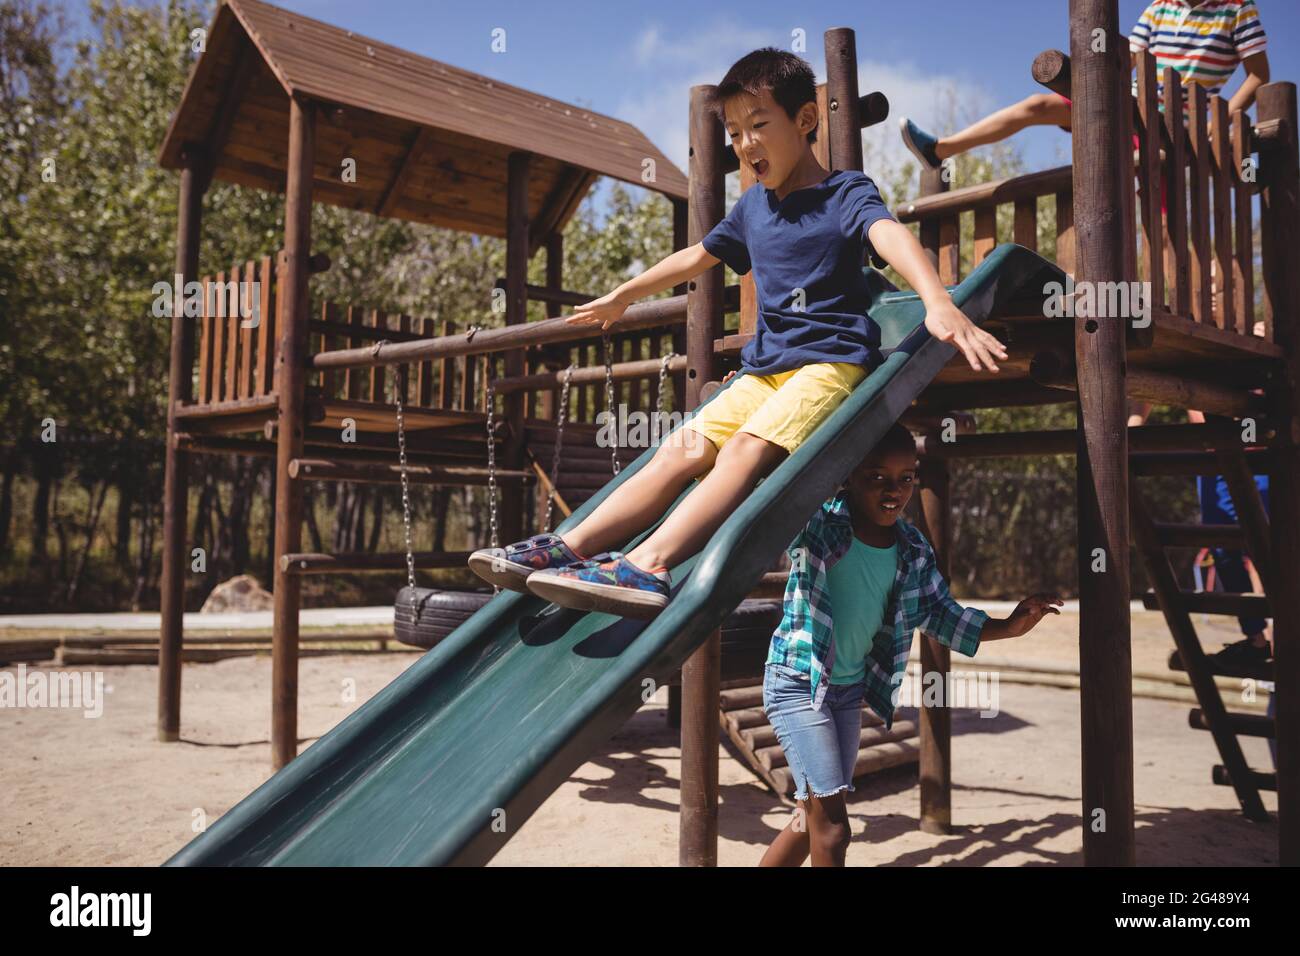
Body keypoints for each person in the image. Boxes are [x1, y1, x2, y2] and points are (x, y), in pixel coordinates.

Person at [468, 47, 1008, 618]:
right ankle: (567, 545)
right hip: (765, 371)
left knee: (744, 451)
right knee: (679, 451)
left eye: (758, 126)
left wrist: (935, 300)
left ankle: (648, 565)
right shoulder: (753, 208)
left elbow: (887, 235)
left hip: (828, 366)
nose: (746, 144)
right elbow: (697, 255)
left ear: (805, 121)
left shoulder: (844, 192)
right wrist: (625, 295)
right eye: (733, 132)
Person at [759, 424, 1063, 866]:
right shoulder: (820, 525)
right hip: (798, 685)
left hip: (846, 693)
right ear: (850, 475)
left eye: (906, 478)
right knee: (834, 829)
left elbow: (939, 613)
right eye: (877, 477)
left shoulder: (911, 547)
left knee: (810, 820)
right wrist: (759, 420)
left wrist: (1010, 626)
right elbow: (773, 491)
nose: (893, 490)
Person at [898, 0, 1269, 176]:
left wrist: (1221, 119)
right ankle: (940, 149)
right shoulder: (1161, 8)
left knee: (1160, 202)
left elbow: (1258, 74)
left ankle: (1189, 291)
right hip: (1135, 105)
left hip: (1179, 123)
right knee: (1036, 105)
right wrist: (1095, 78)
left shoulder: (1236, 10)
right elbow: (1129, 59)